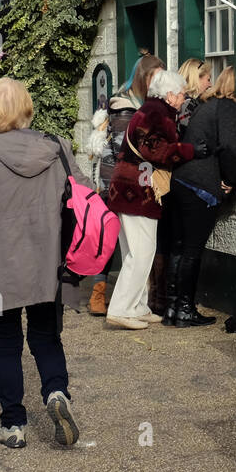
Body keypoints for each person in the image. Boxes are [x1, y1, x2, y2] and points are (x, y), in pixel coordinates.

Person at [0, 77, 82, 451]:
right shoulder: (57, 148)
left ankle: (13, 424)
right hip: (48, 263)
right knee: (46, 336)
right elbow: (85, 197)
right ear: (26, 107)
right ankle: (56, 391)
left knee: (6, 343)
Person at [104, 69, 202, 330]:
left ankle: (137, 307)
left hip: (126, 189)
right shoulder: (157, 113)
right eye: (181, 94)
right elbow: (155, 151)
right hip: (138, 191)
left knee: (133, 253)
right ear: (169, 95)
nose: (183, 99)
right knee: (142, 252)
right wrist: (190, 150)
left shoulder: (150, 109)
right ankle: (122, 309)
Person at [165, 65, 236, 327]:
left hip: (180, 181)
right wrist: (230, 180)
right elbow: (230, 147)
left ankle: (173, 308)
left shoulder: (207, 106)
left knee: (179, 246)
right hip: (199, 185)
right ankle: (185, 309)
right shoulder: (227, 106)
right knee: (192, 250)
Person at [91, 52, 164, 316]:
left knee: (130, 246)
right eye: (157, 76)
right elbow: (127, 149)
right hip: (120, 183)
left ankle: (137, 305)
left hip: (118, 182)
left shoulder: (133, 104)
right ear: (146, 78)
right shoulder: (126, 108)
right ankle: (118, 304)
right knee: (133, 248)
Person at [175, 57, 211, 133]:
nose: (210, 85)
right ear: (196, 79)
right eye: (208, 80)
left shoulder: (181, 101)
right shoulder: (188, 105)